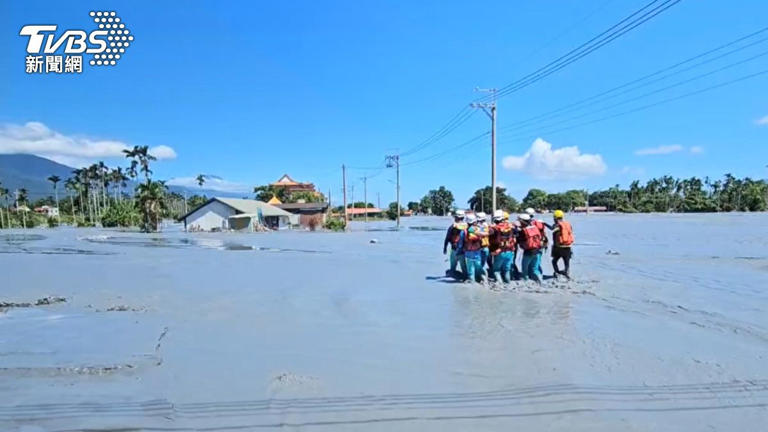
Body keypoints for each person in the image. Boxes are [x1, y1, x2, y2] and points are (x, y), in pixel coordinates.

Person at [489, 210, 517, 283]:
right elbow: (516, 233)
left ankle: (500, 283)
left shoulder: (494, 228)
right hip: (510, 251)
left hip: (499, 252)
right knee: (507, 270)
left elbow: (488, 235)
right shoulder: (511, 226)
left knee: (496, 270)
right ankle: (508, 282)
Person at [517, 214, 543, 282]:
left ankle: (526, 280)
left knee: (524, 267)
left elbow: (519, 240)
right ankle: (540, 280)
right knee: (535, 268)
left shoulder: (523, 231)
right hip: (537, 250)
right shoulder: (535, 227)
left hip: (528, 251)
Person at [549, 209, 574, 279]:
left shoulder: (557, 225)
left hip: (558, 247)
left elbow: (551, 229)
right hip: (568, 246)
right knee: (566, 262)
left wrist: (544, 224)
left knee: (554, 261)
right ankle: (566, 272)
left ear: (555, 218)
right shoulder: (568, 224)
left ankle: (557, 272)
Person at [463, 214, 487, 283]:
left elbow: (462, 242)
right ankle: (483, 279)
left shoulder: (466, 230)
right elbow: (484, 235)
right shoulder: (478, 228)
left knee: (471, 269)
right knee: (478, 267)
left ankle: (472, 282)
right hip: (477, 251)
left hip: (469, 252)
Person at [443, 209, 468, 278]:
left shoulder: (452, 226)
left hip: (454, 249)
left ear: (456, 217)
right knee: (464, 267)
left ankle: (452, 277)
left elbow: (447, 238)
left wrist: (445, 248)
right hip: (464, 250)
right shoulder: (467, 226)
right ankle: (466, 278)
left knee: (453, 266)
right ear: (463, 217)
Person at [525, 207, 548, 276]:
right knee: (537, 261)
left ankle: (534, 275)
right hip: (541, 243)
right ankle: (537, 273)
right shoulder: (539, 223)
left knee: (531, 262)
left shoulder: (529, 224)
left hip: (533, 245)